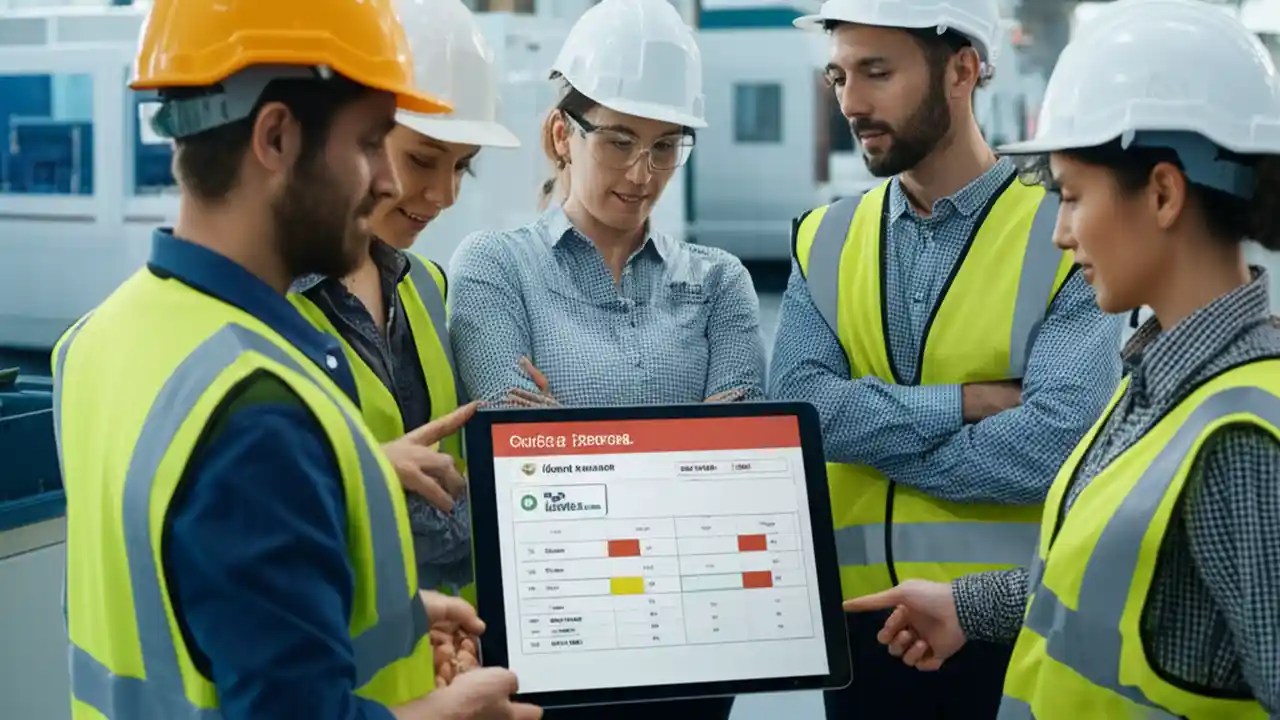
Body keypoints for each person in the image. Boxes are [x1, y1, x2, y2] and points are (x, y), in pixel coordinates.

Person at [49, 1, 539, 718]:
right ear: (276, 137)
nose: (386, 183)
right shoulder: (258, 409)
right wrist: (453, 713)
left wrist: (379, 622)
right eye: (373, 144)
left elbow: (190, 609)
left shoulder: (99, 339)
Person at [843, 0, 1280, 717]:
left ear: (1163, 193)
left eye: (1072, 197)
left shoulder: (1242, 442)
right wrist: (969, 605)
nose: (1061, 233)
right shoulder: (1158, 383)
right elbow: (1127, 578)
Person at [769, 0, 1124, 716]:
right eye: (838, 75)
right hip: (859, 637)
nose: (851, 102)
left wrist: (865, 438)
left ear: (963, 69)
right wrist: (965, 404)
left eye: (877, 72)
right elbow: (803, 416)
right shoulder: (824, 238)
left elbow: (1056, 444)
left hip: (1006, 629)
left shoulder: (1062, 233)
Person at [289, 0, 521, 612]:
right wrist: (363, 472)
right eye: (422, 159)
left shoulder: (427, 285)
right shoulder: (271, 302)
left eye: (462, 170)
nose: (442, 195)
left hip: (448, 645)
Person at [448, 0, 765, 420]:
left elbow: (740, 442)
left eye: (665, 146)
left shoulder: (720, 282)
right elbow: (518, 443)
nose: (641, 174)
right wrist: (691, 438)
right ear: (564, 136)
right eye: (619, 142)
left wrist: (574, 433)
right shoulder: (496, 266)